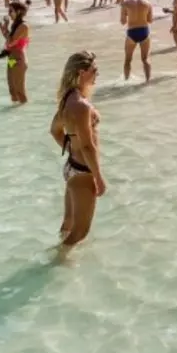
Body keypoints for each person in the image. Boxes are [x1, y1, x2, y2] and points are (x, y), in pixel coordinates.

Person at [50, 51, 105, 247]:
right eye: (94, 70)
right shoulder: (81, 106)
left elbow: (54, 130)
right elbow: (88, 146)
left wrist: (71, 147)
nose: (97, 74)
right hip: (83, 172)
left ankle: (61, 263)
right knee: (80, 232)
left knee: (69, 223)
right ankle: (56, 263)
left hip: (72, 167)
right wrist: (98, 177)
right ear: (82, 72)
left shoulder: (68, 98)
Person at [0, 1, 31, 104]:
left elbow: (11, 42)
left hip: (19, 60)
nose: (9, 13)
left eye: (11, 11)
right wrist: (4, 30)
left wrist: (5, 29)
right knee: (12, 91)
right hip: (12, 59)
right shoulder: (15, 25)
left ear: (19, 11)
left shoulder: (23, 26)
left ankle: (25, 115)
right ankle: (15, 116)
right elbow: (9, 41)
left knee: (20, 91)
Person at [120, 0, 154, 82]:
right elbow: (150, 20)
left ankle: (126, 81)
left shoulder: (125, 3)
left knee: (128, 60)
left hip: (132, 32)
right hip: (144, 31)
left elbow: (123, 22)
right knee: (145, 59)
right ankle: (148, 81)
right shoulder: (147, 3)